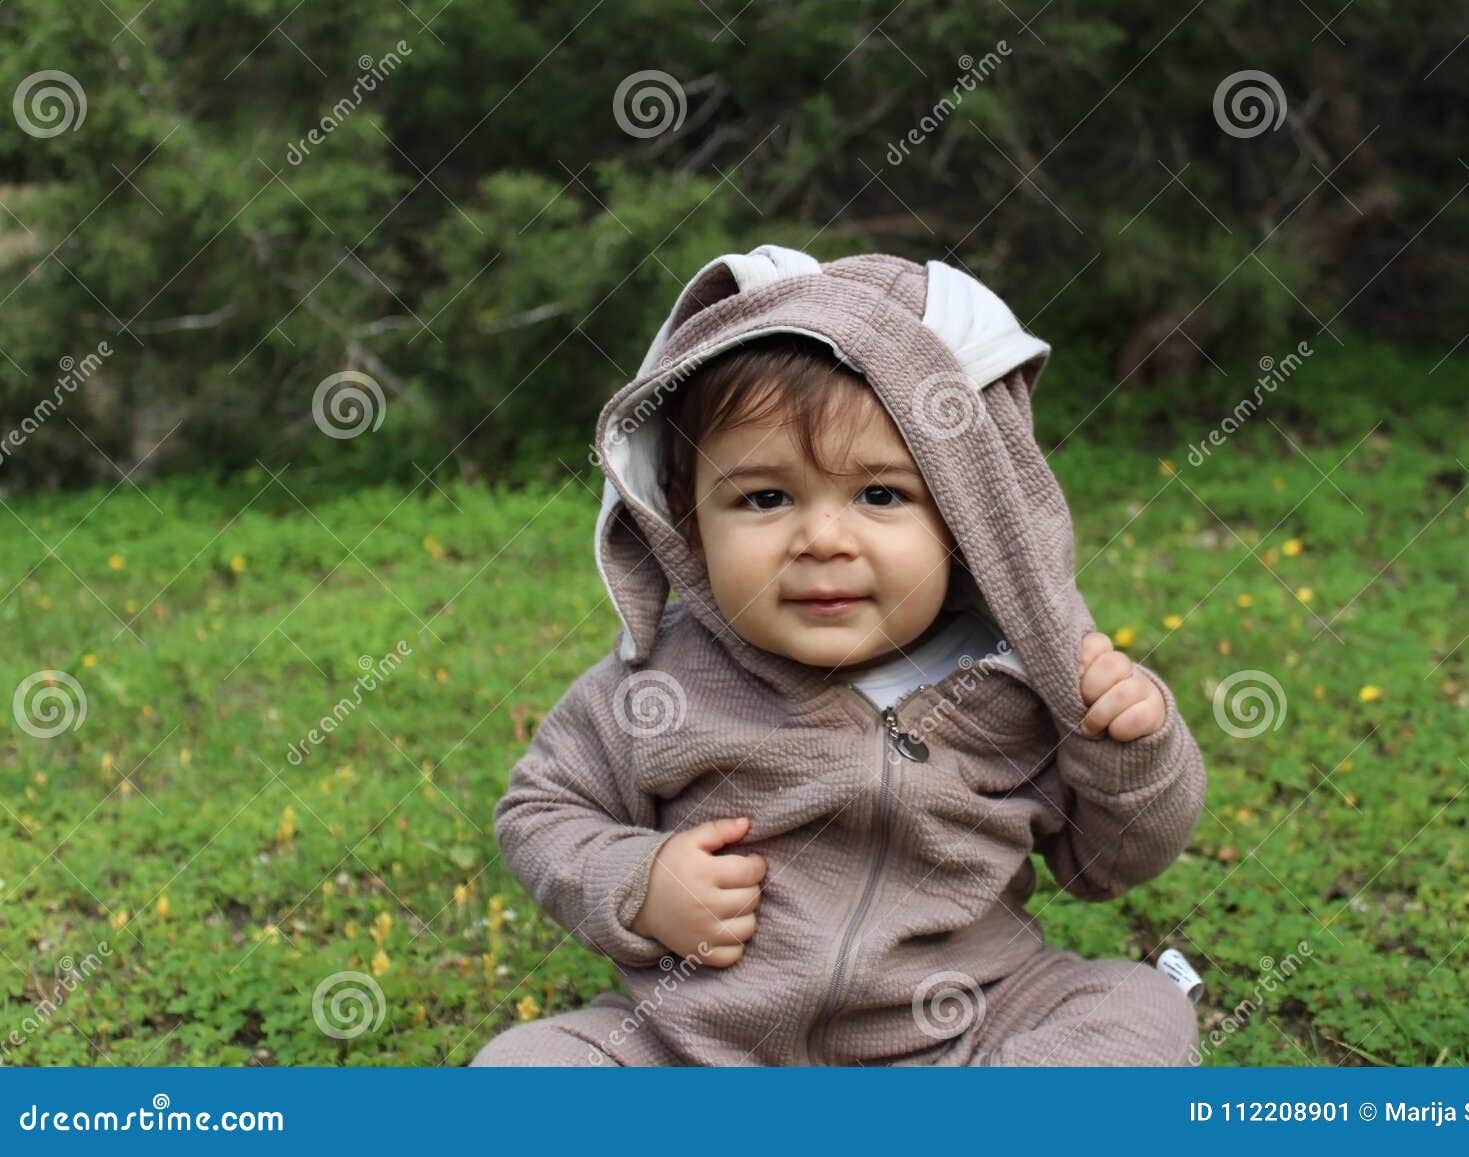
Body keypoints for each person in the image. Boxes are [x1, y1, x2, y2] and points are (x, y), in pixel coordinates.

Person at [470, 244, 1206, 1066]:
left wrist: (1130, 754)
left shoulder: (1015, 680)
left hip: (967, 1027)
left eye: (880, 495)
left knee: (1136, 1009)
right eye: (766, 497)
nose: (822, 539)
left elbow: (1105, 864)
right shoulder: (655, 689)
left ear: (962, 519)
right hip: (698, 1047)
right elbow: (540, 811)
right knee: (527, 1071)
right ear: (687, 520)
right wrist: (637, 882)